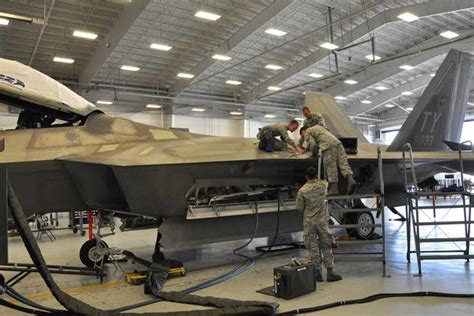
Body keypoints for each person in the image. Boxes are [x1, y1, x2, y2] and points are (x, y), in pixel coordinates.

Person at [296, 167, 342, 282]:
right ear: (316, 175)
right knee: (326, 245)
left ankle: (317, 273)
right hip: (322, 221)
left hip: (309, 222)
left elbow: (299, 208)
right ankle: (330, 272)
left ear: (306, 177)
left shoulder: (302, 190)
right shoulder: (323, 185)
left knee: (313, 247)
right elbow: (327, 185)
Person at [301, 125, 356, 195]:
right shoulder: (319, 127)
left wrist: (313, 155)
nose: (304, 138)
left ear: (303, 131)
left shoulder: (307, 131)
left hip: (328, 146)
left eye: (302, 136)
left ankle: (333, 190)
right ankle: (351, 180)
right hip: (338, 144)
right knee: (343, 164)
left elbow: (313, 145)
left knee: (331, 167)